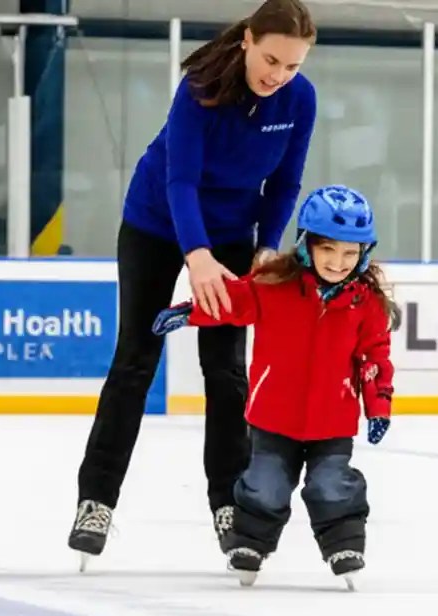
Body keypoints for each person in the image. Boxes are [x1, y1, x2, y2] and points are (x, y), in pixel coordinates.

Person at [68, 0, 319, 566]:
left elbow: (285, 181)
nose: (277, 75)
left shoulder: (299, 100)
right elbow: (180, 180)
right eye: (271, 59)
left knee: (227, 371)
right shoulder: (201, 86)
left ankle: (230, 506)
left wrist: (264, 246)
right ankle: (95, 501)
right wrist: (197, 256)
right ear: (248, 40)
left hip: (233, 232)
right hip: (158, 222)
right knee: (135, 358)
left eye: (292, 66)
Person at [150, 185, 396, 589]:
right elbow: (232, 302)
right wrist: (189, 312)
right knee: (264, 483)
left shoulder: (364, 303)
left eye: (351, 254)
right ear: (306, 246)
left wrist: (379, 407)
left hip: (332, 419)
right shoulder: (272, 284)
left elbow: (374, 359)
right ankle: (248, 545)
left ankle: (344, 544)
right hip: (273, 417)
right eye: (329, 250)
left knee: (331, 483)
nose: (339, 263)